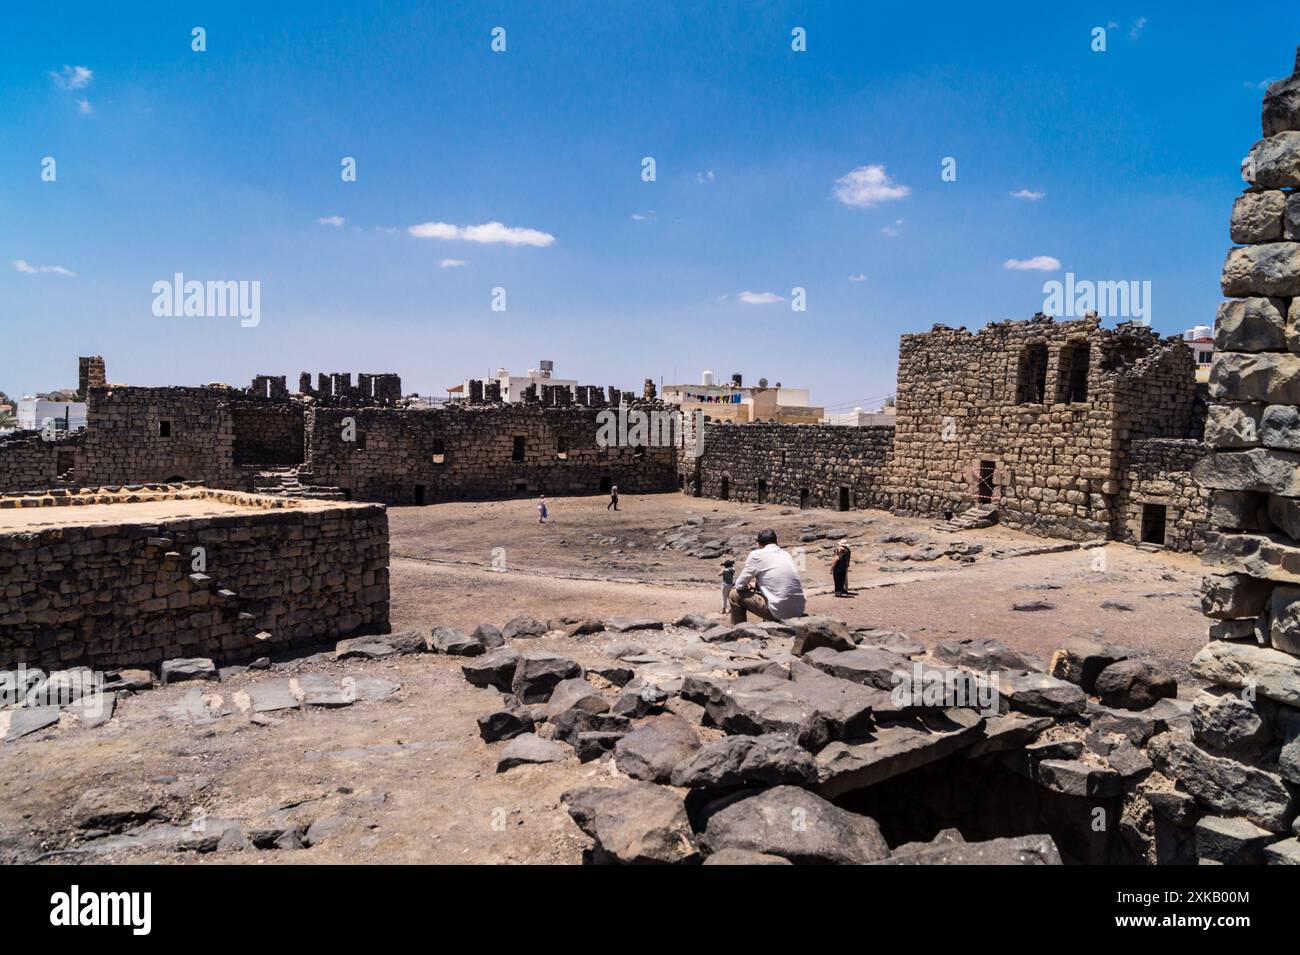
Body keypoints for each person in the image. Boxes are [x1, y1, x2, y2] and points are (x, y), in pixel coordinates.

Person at [728, 528, 806, 623]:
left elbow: (739, 585)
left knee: (734, 594)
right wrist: (755, 585)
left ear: (759, 544)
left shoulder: (756, 555)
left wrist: (747, 586)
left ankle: (739, 630)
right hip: (798, 609)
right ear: (777, 541)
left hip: (779, 612)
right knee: (766, 593)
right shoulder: (786, 554)